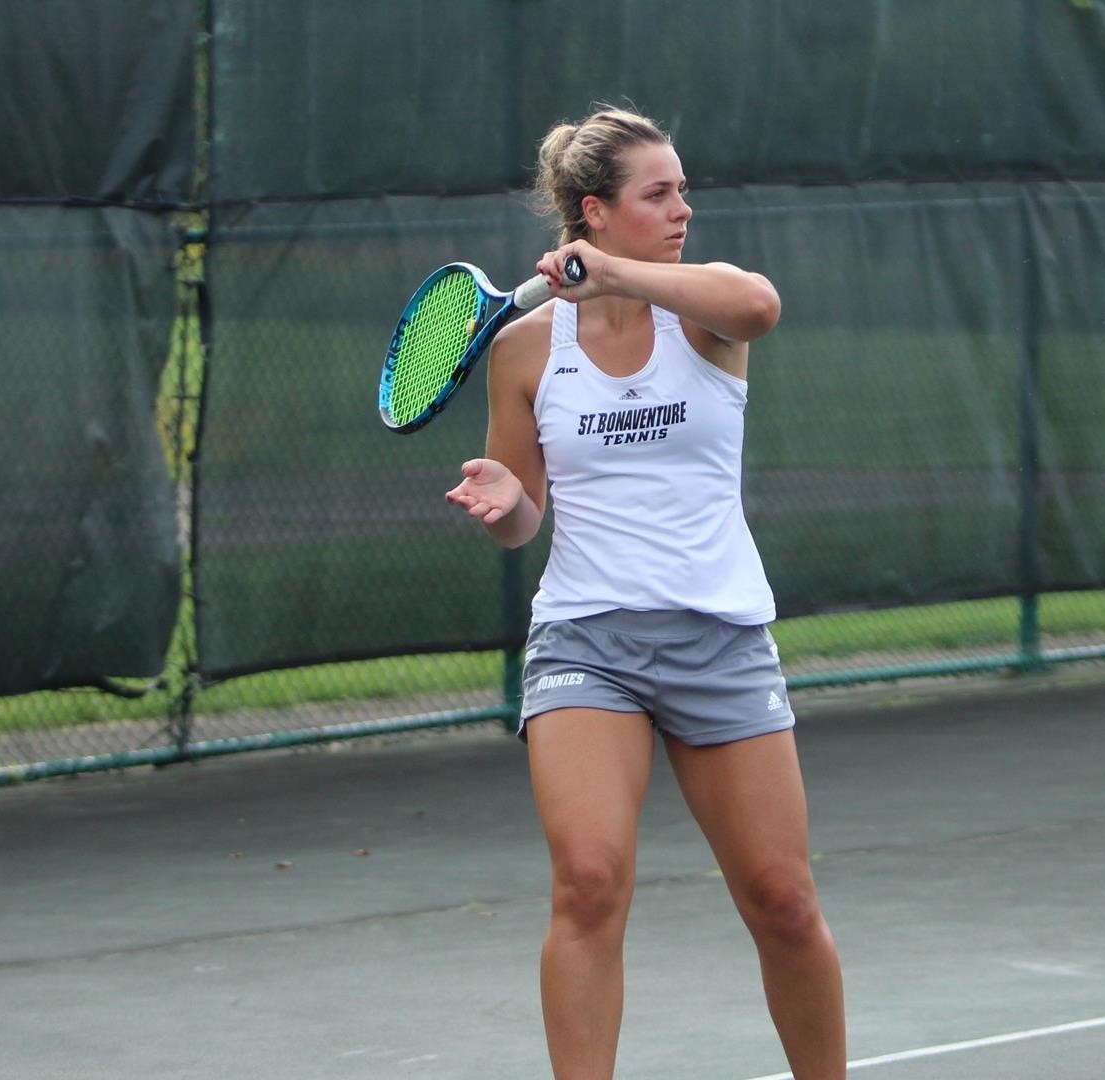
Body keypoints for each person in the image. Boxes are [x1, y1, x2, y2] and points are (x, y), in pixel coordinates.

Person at [445, 106, 847, 1079]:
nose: (682, 208)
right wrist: (504, 506)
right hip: (587, 644)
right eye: (658, 194)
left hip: (721, 639)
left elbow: (760, 305)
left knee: (783, 901)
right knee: (586, 886)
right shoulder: (526, 350)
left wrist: (612, 273)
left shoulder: (706, 313)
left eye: (682, 190)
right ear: (597, 208)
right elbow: (525, 515)